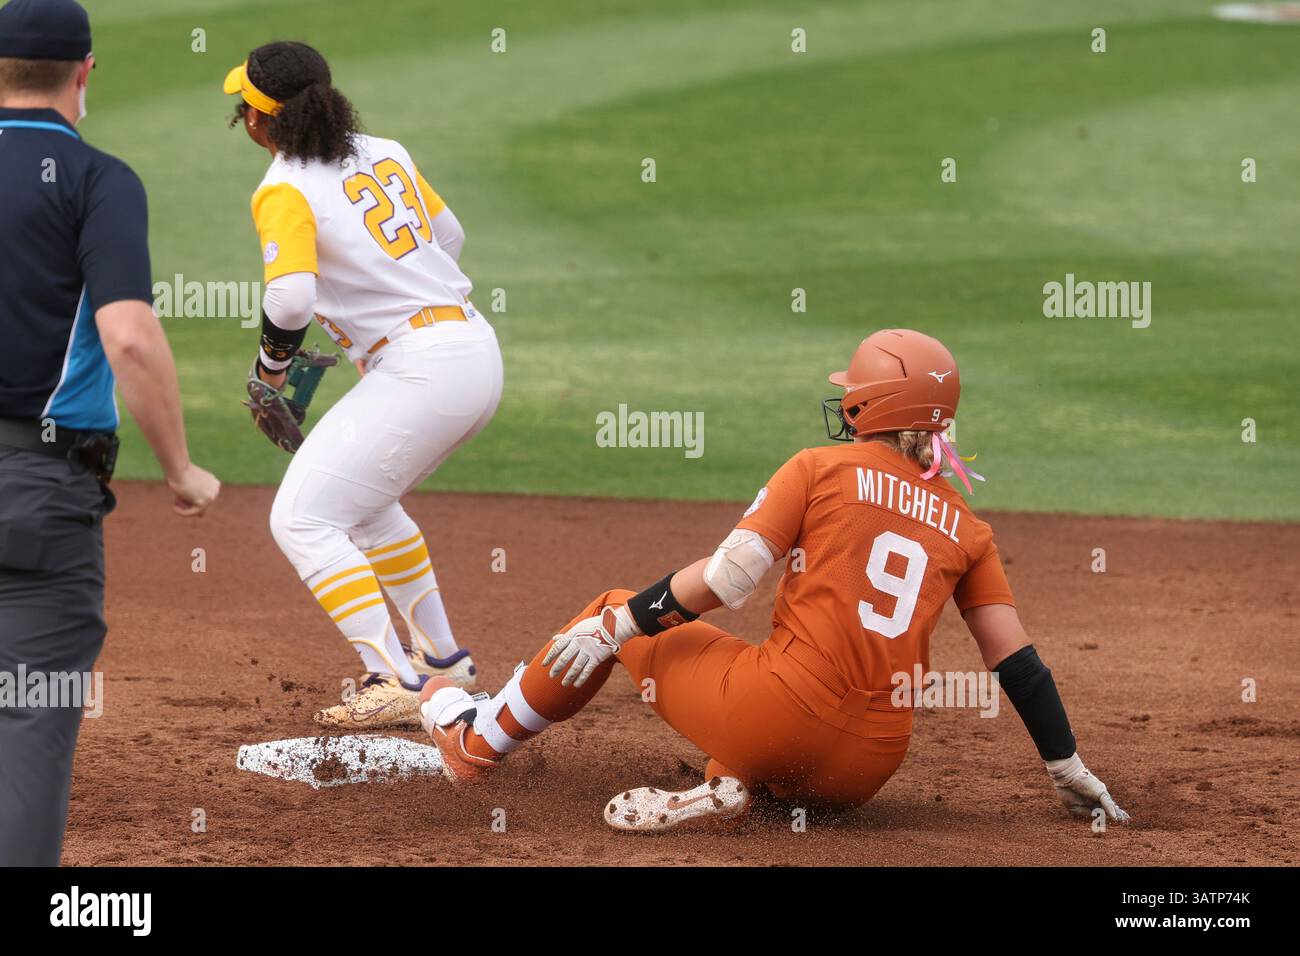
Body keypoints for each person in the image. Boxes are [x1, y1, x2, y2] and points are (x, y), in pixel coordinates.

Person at [419, 329, 1130, 832]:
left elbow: (731, 578)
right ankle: (729, 786)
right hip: (865, 771)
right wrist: (1067, 766)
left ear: (865, 407)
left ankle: (474, 747)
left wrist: (625, 623)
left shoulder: (820, 468)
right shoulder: (967, 527)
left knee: (611, 609)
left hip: (775, 718)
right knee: (757, 691)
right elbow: (1019, 665)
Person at [222, 41, 502, 727]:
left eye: (245, 107)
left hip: (422, 368)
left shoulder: (283, 186)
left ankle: (394, 677)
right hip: (471, 350)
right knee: (368, 507)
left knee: (302, 519)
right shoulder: (386, 150)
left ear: (262, 121)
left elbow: (289, 301)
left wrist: (270, 372)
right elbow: (451, 236)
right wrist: (381, 318)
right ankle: (443, 664)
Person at [0, 0, 219, 865]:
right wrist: (180, 469)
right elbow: (128, 336)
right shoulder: (98, 181)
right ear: (84, 72)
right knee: (27, 724)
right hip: (39, 497)